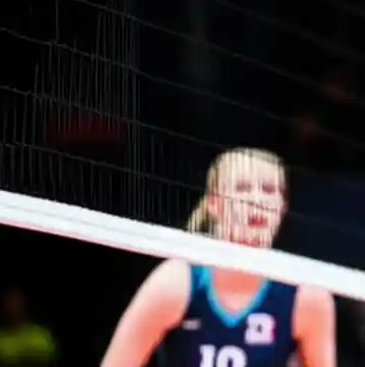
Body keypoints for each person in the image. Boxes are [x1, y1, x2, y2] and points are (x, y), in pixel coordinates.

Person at [102, 148, 336, 367]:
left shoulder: (307, 296)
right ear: (214, 203)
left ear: (282, 206)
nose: (258, 200)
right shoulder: (176, 283)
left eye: (269, 190)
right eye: (243, 188)